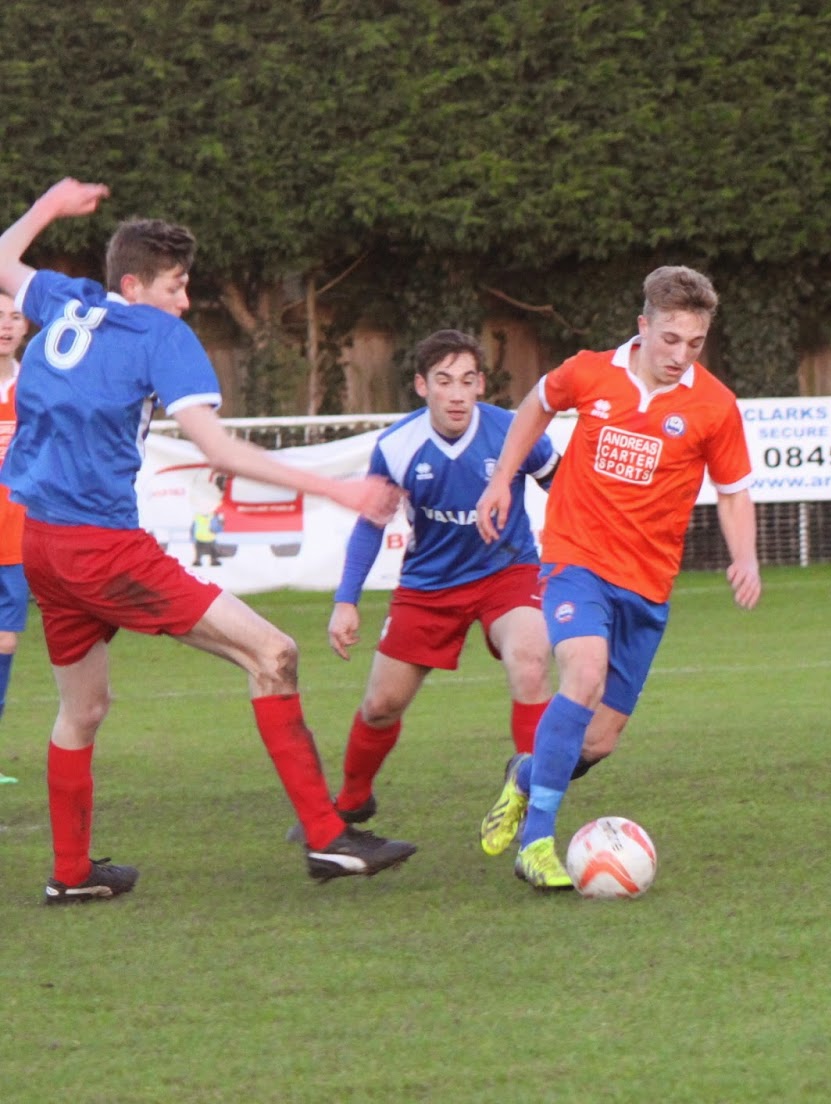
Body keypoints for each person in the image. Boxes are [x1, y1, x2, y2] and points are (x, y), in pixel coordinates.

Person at [0, 177, 417, 904]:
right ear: (137, 283)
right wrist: (341, 489)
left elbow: (2, 255)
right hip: (103, 551)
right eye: (178, 285)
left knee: (82, 710)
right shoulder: (158, 334)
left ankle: (71, 876)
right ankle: (328, 836)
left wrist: (47, 207)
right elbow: (220, 452)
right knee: (274, 653)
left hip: (42, 545)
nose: (185, 302)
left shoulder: (70, 300)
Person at [474, 265, 760, 889]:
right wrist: (502, 479)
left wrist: (745, 556)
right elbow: (536, 404)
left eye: (695, 344)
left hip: (648, 585)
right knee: (583, 672)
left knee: (599, 741)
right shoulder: (589, 372)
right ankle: (537, 844)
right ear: (643, 327)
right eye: (669, 340)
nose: (680, 356)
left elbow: (734, 494)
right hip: (576, 560)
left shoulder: (714, 405)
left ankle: (525, 777)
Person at [318, 329, 560, 833]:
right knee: (381, 705)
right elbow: (371, 524)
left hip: (508, 572)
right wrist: (346, 601)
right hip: (429, 586)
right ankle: (352, 798)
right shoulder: (398, 446)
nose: (456, 393)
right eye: (444, 381)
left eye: (467, 381)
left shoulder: (515, 431)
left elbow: (562, 485)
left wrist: (576, 555)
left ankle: (532, 808)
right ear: (421, 386)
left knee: (531, 661)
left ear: (480, 386)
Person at [0, 290, 27, 784]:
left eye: (15, 315)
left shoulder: (38, 384)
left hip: (18, 542)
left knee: (4, 642)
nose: (5, 324)